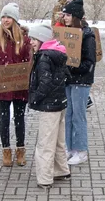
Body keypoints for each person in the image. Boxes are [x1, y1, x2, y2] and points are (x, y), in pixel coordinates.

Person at [0, 3, 32, 167]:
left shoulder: (24, 39)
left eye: (9, 17)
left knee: (19, 119)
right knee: (4, 120)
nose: (5, 20)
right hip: (2, 88)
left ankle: (20, 150)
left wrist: (22, 74)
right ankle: (6, 150)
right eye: (3, 17)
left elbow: (29, 63)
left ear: (15, 19)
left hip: (19, 88)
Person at [26, 24, 72, 188]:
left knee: (45, 143)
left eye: (33, 39)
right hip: (60, 103)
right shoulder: (57, 53)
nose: (30, 42)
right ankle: (61, 170)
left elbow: (45, 83)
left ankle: (45, 179)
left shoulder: (44, 57)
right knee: (59, 140)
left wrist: (34, 99)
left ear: (42, 40)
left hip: (49, 107)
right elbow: (66, 76)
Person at [60, 0, 96, 166]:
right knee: (68, 115)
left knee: (78, 116)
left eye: (67, 15)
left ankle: (81, 150)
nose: (64, 18)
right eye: (64, 14)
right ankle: (69, 148)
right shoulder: (67, 34)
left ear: (75, 16)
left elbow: (89, 62)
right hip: (68, 80)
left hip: (81, 81)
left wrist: (72, 67)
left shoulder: (87, 35)